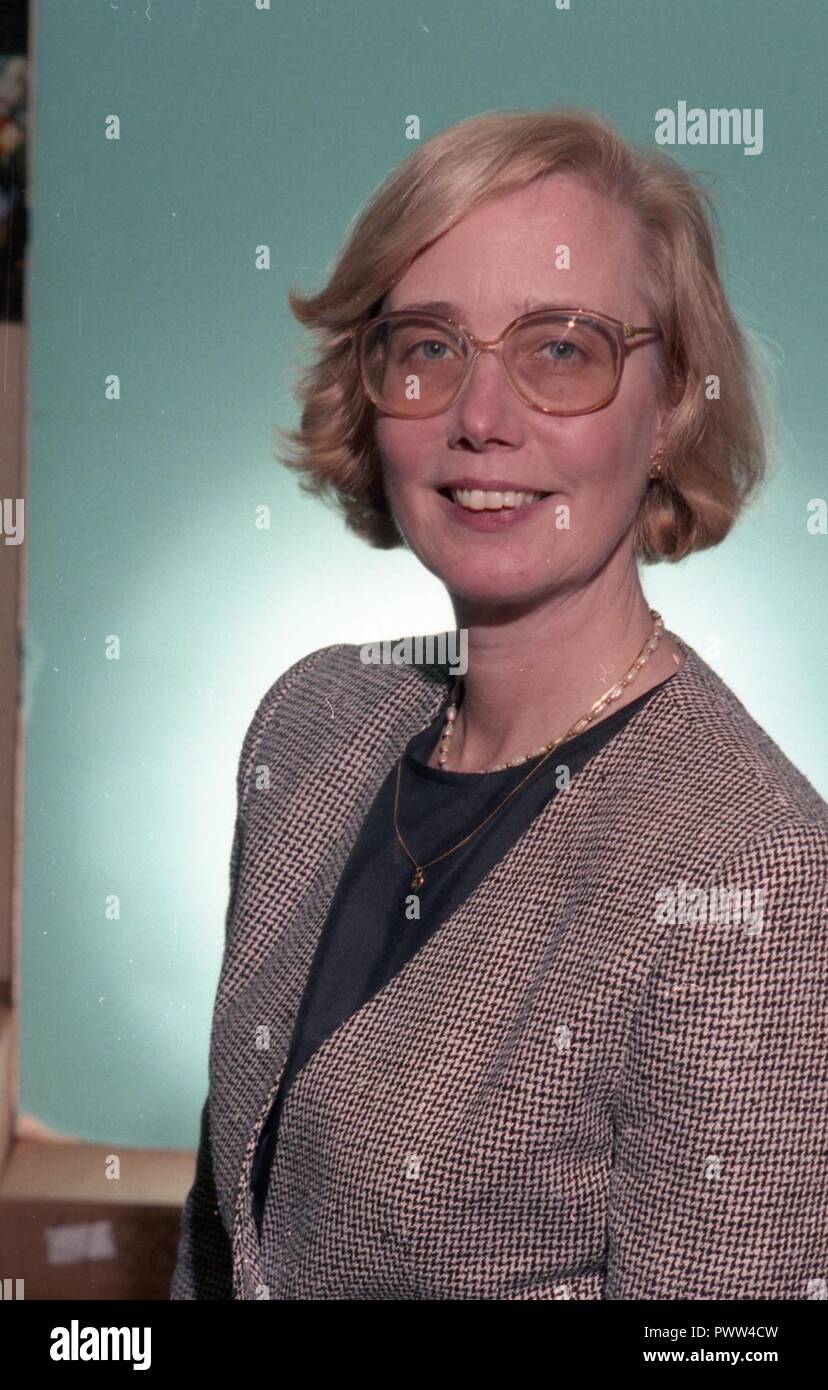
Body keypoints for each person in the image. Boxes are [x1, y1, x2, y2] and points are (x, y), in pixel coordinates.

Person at [170, 108, 828, 1301]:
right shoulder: (313, 721)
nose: (481, 417)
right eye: (429, 346)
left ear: (675, 397)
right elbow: (226, 1238)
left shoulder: (757, 874)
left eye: (561, 349)